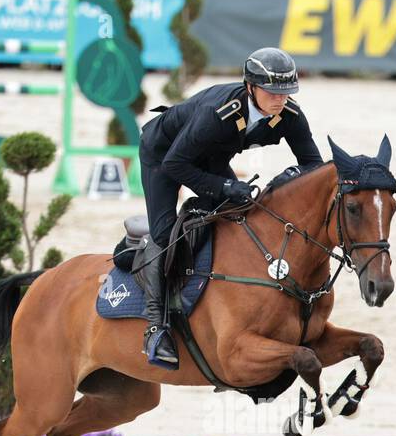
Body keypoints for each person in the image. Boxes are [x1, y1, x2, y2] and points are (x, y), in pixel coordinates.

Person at [136, 47, 322, 368]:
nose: (281, 99)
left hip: (209, 156)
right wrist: (224, 186)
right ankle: (156, 327)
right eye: (272, 92)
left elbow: (314, 166)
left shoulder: (289, 115)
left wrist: (292, 178)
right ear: (250, 87)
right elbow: (175, 164)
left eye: (286, 92)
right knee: (167, 234)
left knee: (239, 215)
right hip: (165, 155)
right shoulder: (217, 113)